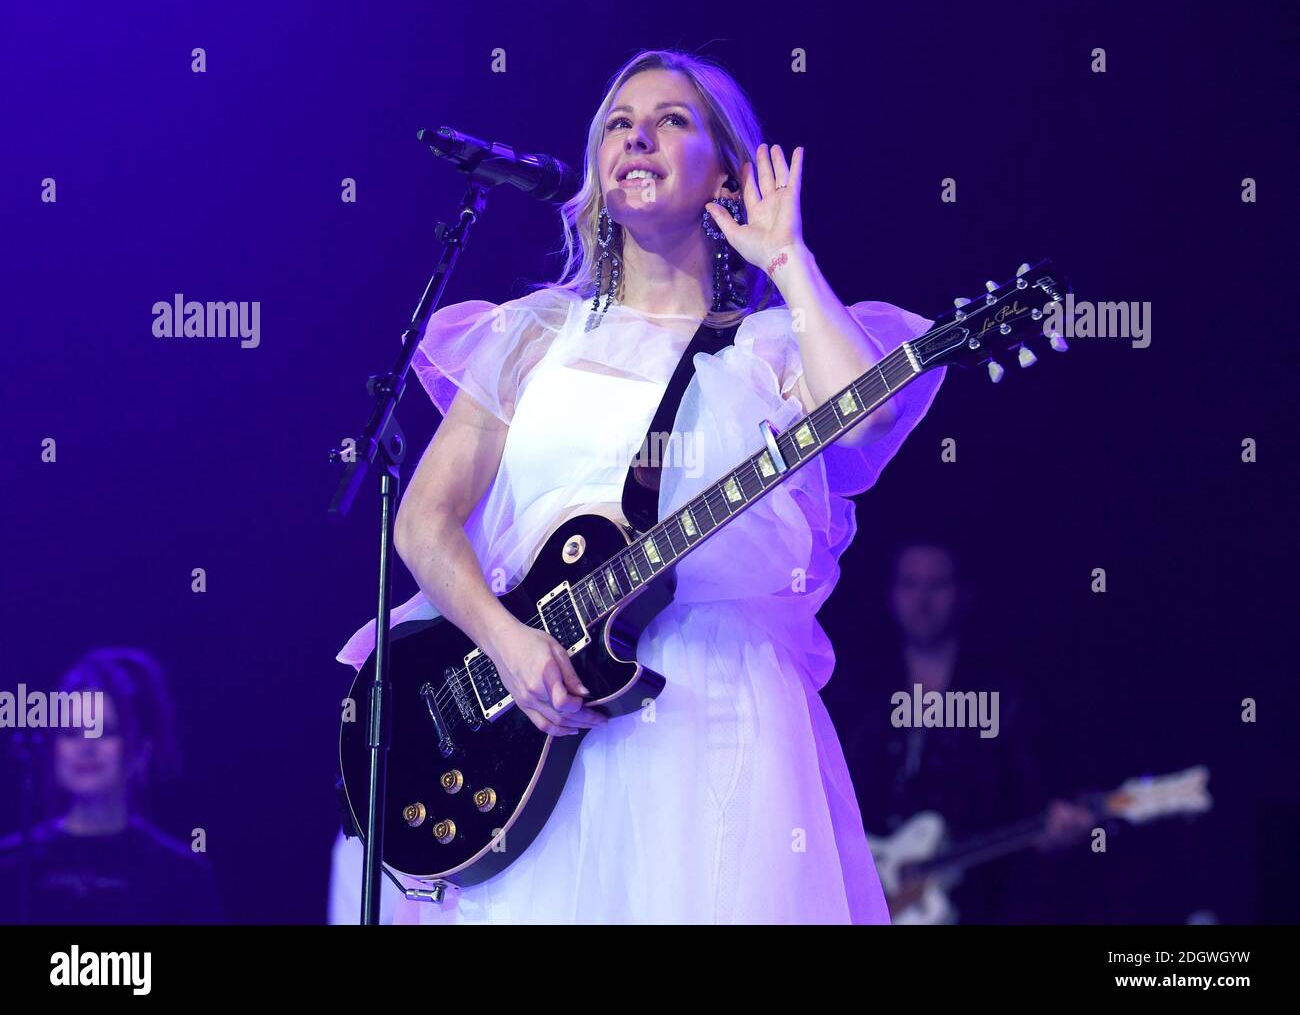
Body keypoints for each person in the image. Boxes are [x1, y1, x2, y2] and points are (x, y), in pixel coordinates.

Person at [336, 48, 945, 924]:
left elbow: (868, 418)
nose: (638, 137)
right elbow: (423, 523)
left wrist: (788, 259)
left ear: (726, 170)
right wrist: (507, 643)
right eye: (618, 124)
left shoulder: (768, 347)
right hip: (541, 722)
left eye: (672, 121)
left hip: (718, 712)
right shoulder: (532, 333)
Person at [829, 540, 1092, 923]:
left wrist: (1055, 830)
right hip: (866, 898)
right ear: (891, 594)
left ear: (964, 594)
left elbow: (1030, 793)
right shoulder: (858, 689)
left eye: (937, 585)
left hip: (975, 902)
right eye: (910, 584)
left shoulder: (1003, 694)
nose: (922, 600)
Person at [0, 648, 223, 924]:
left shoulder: (182, 877)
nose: (86, 747)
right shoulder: (11, 867)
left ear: (141, 751)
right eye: (71, 732)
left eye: (105, 731)